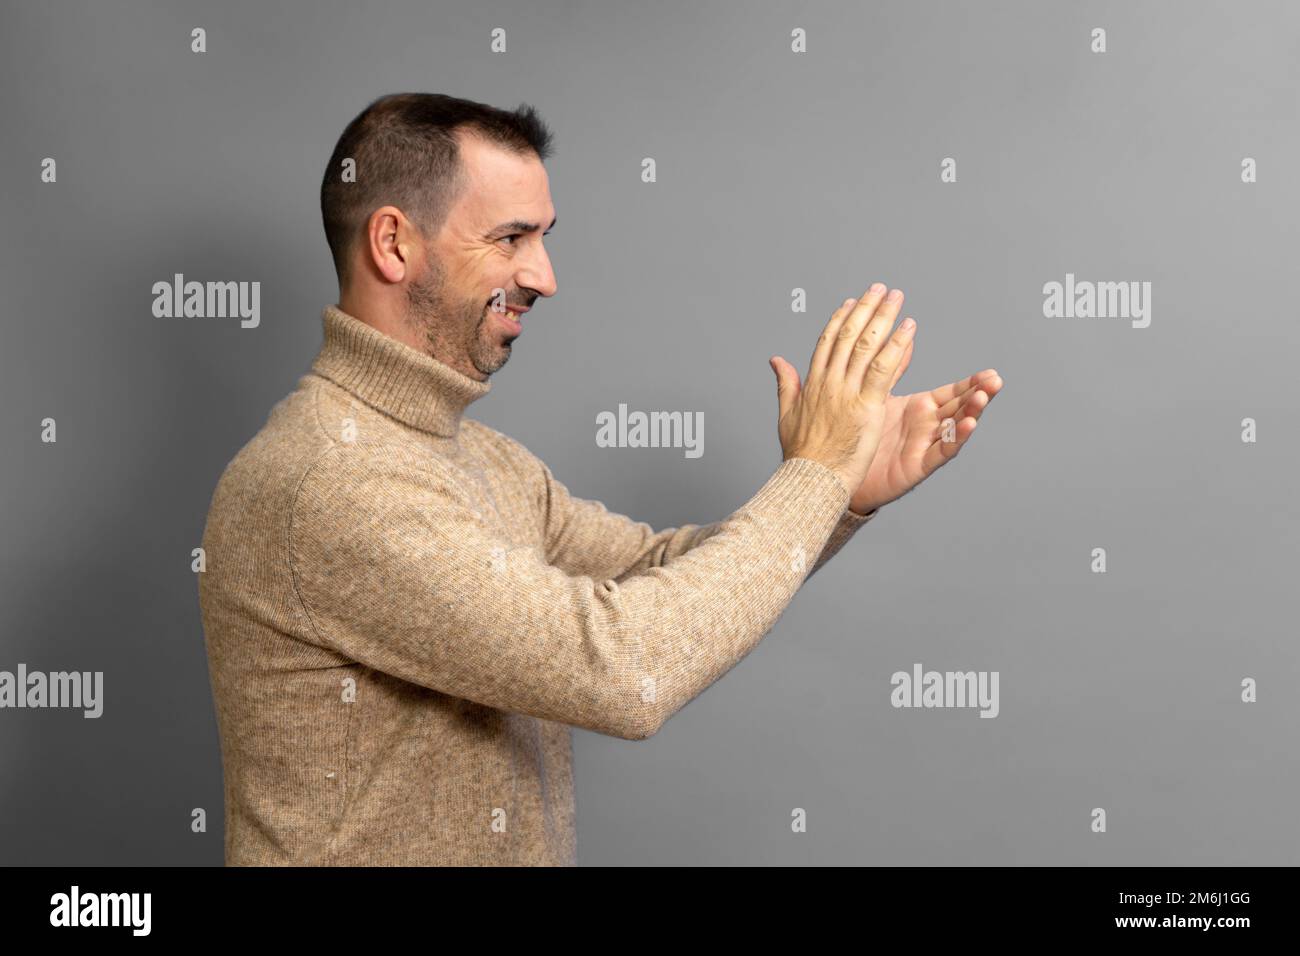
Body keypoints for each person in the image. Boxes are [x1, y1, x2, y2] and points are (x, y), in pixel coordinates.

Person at [198, 92, 1003, 866]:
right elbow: (624, 668)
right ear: (395, 244)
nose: (545, 276)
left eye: (544, 238)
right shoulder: (325, 481)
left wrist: (840, 492)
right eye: (511, 238)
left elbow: (656, 571)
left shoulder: (482, 458)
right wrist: (817, 471)